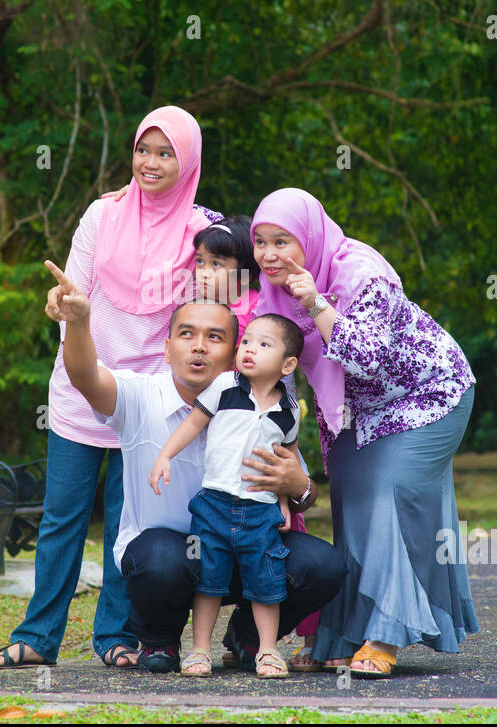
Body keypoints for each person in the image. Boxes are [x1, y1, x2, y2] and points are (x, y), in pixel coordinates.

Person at [0, 105, 215, 671]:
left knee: (127, 522)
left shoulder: (201, 229)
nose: (151, 163)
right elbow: (72, 291)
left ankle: (117, 636)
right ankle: (38, 636)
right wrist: (62, 305)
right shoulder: (101, 215)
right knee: (62, 515)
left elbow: (226, 299)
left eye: (166, 153)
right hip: (83, 386)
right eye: (143, 150)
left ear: (187, 163)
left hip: (148, 400)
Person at [42, 258, 345, 674]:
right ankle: (160, 639)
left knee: (323, 565)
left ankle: (247, 637)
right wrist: (78, 322)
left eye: (215, 337)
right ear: (167, 348)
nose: (199, 346)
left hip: (244, 553)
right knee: (162, 555)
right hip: (170, 558)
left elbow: (300, 495)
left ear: (235, 355)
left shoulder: (265, 406)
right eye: (186, 334)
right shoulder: (139, 396)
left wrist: (300, 486)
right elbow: (85, 377)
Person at [251, 187, 478, 678]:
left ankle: (385, 635)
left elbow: (366, 359)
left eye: (282, 241)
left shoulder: (361, 273)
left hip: (429, 394)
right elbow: (277, 374)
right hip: (354, 411)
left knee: (385, 494)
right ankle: (340, 636)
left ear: (308, 237)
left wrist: (314, 303)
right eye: (261, 242)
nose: (269, 255)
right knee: (350, 506)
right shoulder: (270, 294)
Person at [190, 215, 322, 666]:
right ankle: (209, 642)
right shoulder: (200, 312)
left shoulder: (255, 313)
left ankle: (300, 639)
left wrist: (293, 488)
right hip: (218, 461)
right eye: (199, 262)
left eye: (217, 263)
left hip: (264, 437)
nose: (204, 272)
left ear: (245, 270)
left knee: (283, 536)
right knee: (213, 553)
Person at [148, 314, 306, 678]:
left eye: (264, 345)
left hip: (261, 512)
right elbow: (192, 423)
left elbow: (287, 460)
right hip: (214, 504)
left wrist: (283, 504)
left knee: (267, 581)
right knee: (209, 579)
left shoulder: (289, 411)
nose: (249, 349)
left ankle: (267, 651)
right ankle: (200, 650)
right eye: (246, 341)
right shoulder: (224, 387)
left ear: (288, 364)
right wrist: (164, 455)